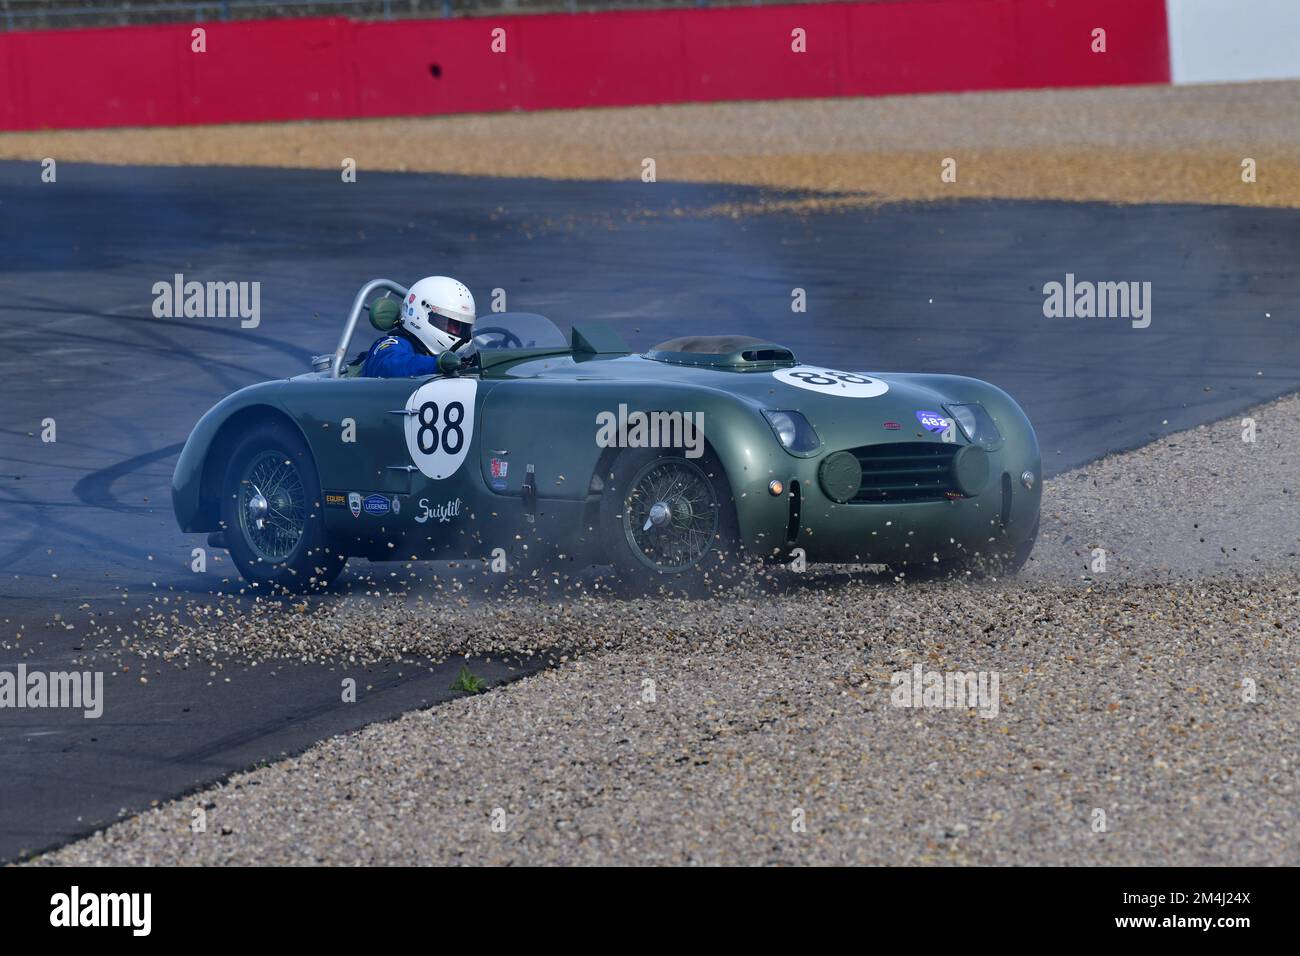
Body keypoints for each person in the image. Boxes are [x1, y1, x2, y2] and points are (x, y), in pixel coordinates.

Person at [361, 276, 476, 377]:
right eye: (451, 325)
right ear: (419, 314)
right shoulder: (393, 344)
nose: (457, 331)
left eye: (464, 328)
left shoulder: (451, 362)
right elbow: (388, 366)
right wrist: (436, 364)